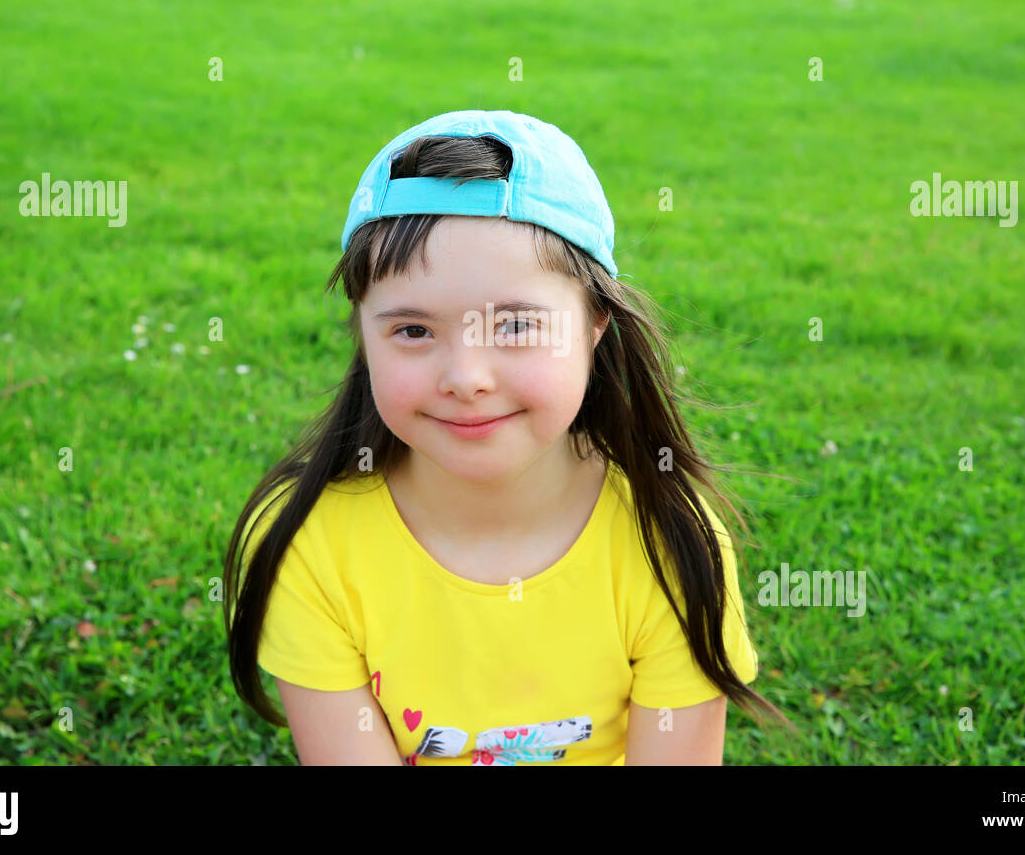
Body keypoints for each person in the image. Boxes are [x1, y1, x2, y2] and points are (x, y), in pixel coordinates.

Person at [224, 109, 792, 766]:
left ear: (596, 323)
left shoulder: (669, 544)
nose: (466, 377)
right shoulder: (310, 541)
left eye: (517, 325)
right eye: (412, 330)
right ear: (362, 335)